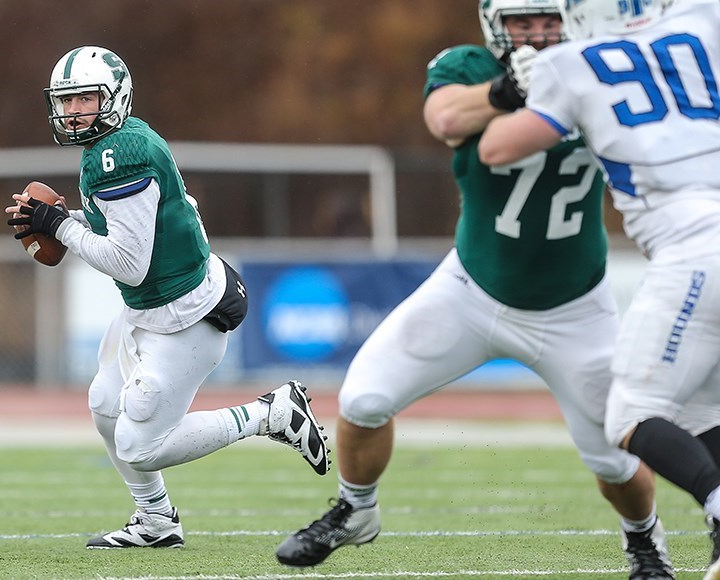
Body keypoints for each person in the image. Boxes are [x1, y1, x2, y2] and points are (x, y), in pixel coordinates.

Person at [274, 2, 679, 578]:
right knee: (362, 401)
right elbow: (443, 119)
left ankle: (645, 542)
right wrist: (506, 91)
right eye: (522, 22)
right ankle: (356, 510)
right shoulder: (469, 68)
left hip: (574, 307)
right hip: (470, 289)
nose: (537, 33)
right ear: (496, 24)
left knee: (613, 458)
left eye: (548, 20)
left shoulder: (599, 70)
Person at [5, 46, 330, 549]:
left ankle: (272, 414)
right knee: (105, 405)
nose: (72, 112)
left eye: (85, 99)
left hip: (183, 316)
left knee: (140, 445)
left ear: (114, 97)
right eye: (66, 101)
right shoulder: (115, 144)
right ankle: (156, 520)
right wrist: (66, 220)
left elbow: (128, 263)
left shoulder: (119, 154)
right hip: (149, 307)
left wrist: (61, 226)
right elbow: (136, 224)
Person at [478, 0, 720, 576]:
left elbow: (495, 148)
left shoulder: (570, 63)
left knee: (629, 417)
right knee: (702, 409)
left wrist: (522, 89)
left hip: (693, 251)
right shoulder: (701, 21)